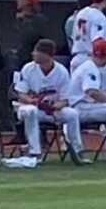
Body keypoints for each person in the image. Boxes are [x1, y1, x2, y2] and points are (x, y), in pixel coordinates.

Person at [11, 39, 81, 167]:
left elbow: (65, 99)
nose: (33, 54)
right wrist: (32, 101)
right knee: (30, 111)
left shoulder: (61, 71)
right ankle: (34, 152)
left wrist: (55, 106)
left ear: (46, 54)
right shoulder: (28, 68)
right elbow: (20, 93)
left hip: (51, 109)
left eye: (36, 51)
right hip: (31, 108)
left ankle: (77, 151)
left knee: (72, 114)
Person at [68, 0, 106, 67]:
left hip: (76, 58)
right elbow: (98, 41)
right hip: (92, 59)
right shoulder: (98, 15)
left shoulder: (81, 13)